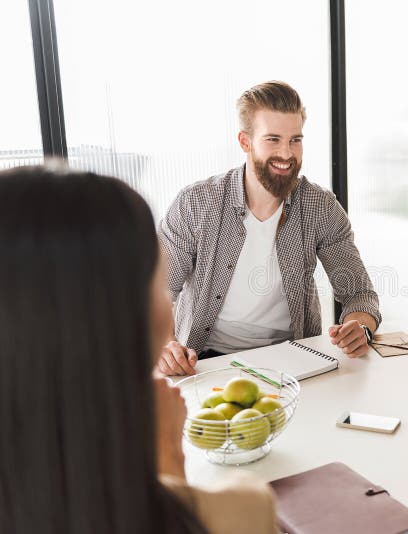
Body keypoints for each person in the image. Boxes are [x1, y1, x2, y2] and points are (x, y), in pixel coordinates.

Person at [0, 165, 277, 533]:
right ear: (123, 320)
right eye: (159, 284)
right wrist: (167, 455)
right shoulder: (234, 514)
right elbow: (249, 501)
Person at [158, 81, 380, 376]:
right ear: (245, 141)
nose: (287, 154)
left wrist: (361, 327)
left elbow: (360, 294)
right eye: (273, 139)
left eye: (295, 140)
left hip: (294, 358)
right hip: (207, 361)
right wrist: (163, 343)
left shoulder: (320, 206)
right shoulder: (195, 204)